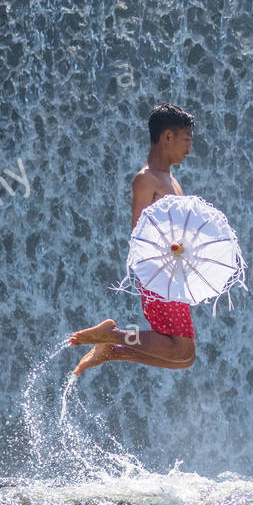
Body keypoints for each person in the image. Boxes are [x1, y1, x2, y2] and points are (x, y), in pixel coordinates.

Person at [68, 103, 199, 376]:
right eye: (186, 140)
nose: (189, 148)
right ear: (167, 137)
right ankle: (112, 335)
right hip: (158, 274)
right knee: (179, 349)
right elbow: (138, 232)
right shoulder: (146, 180)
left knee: (185, 357)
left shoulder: (173, 182)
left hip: (173, 274)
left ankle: (113, 350)